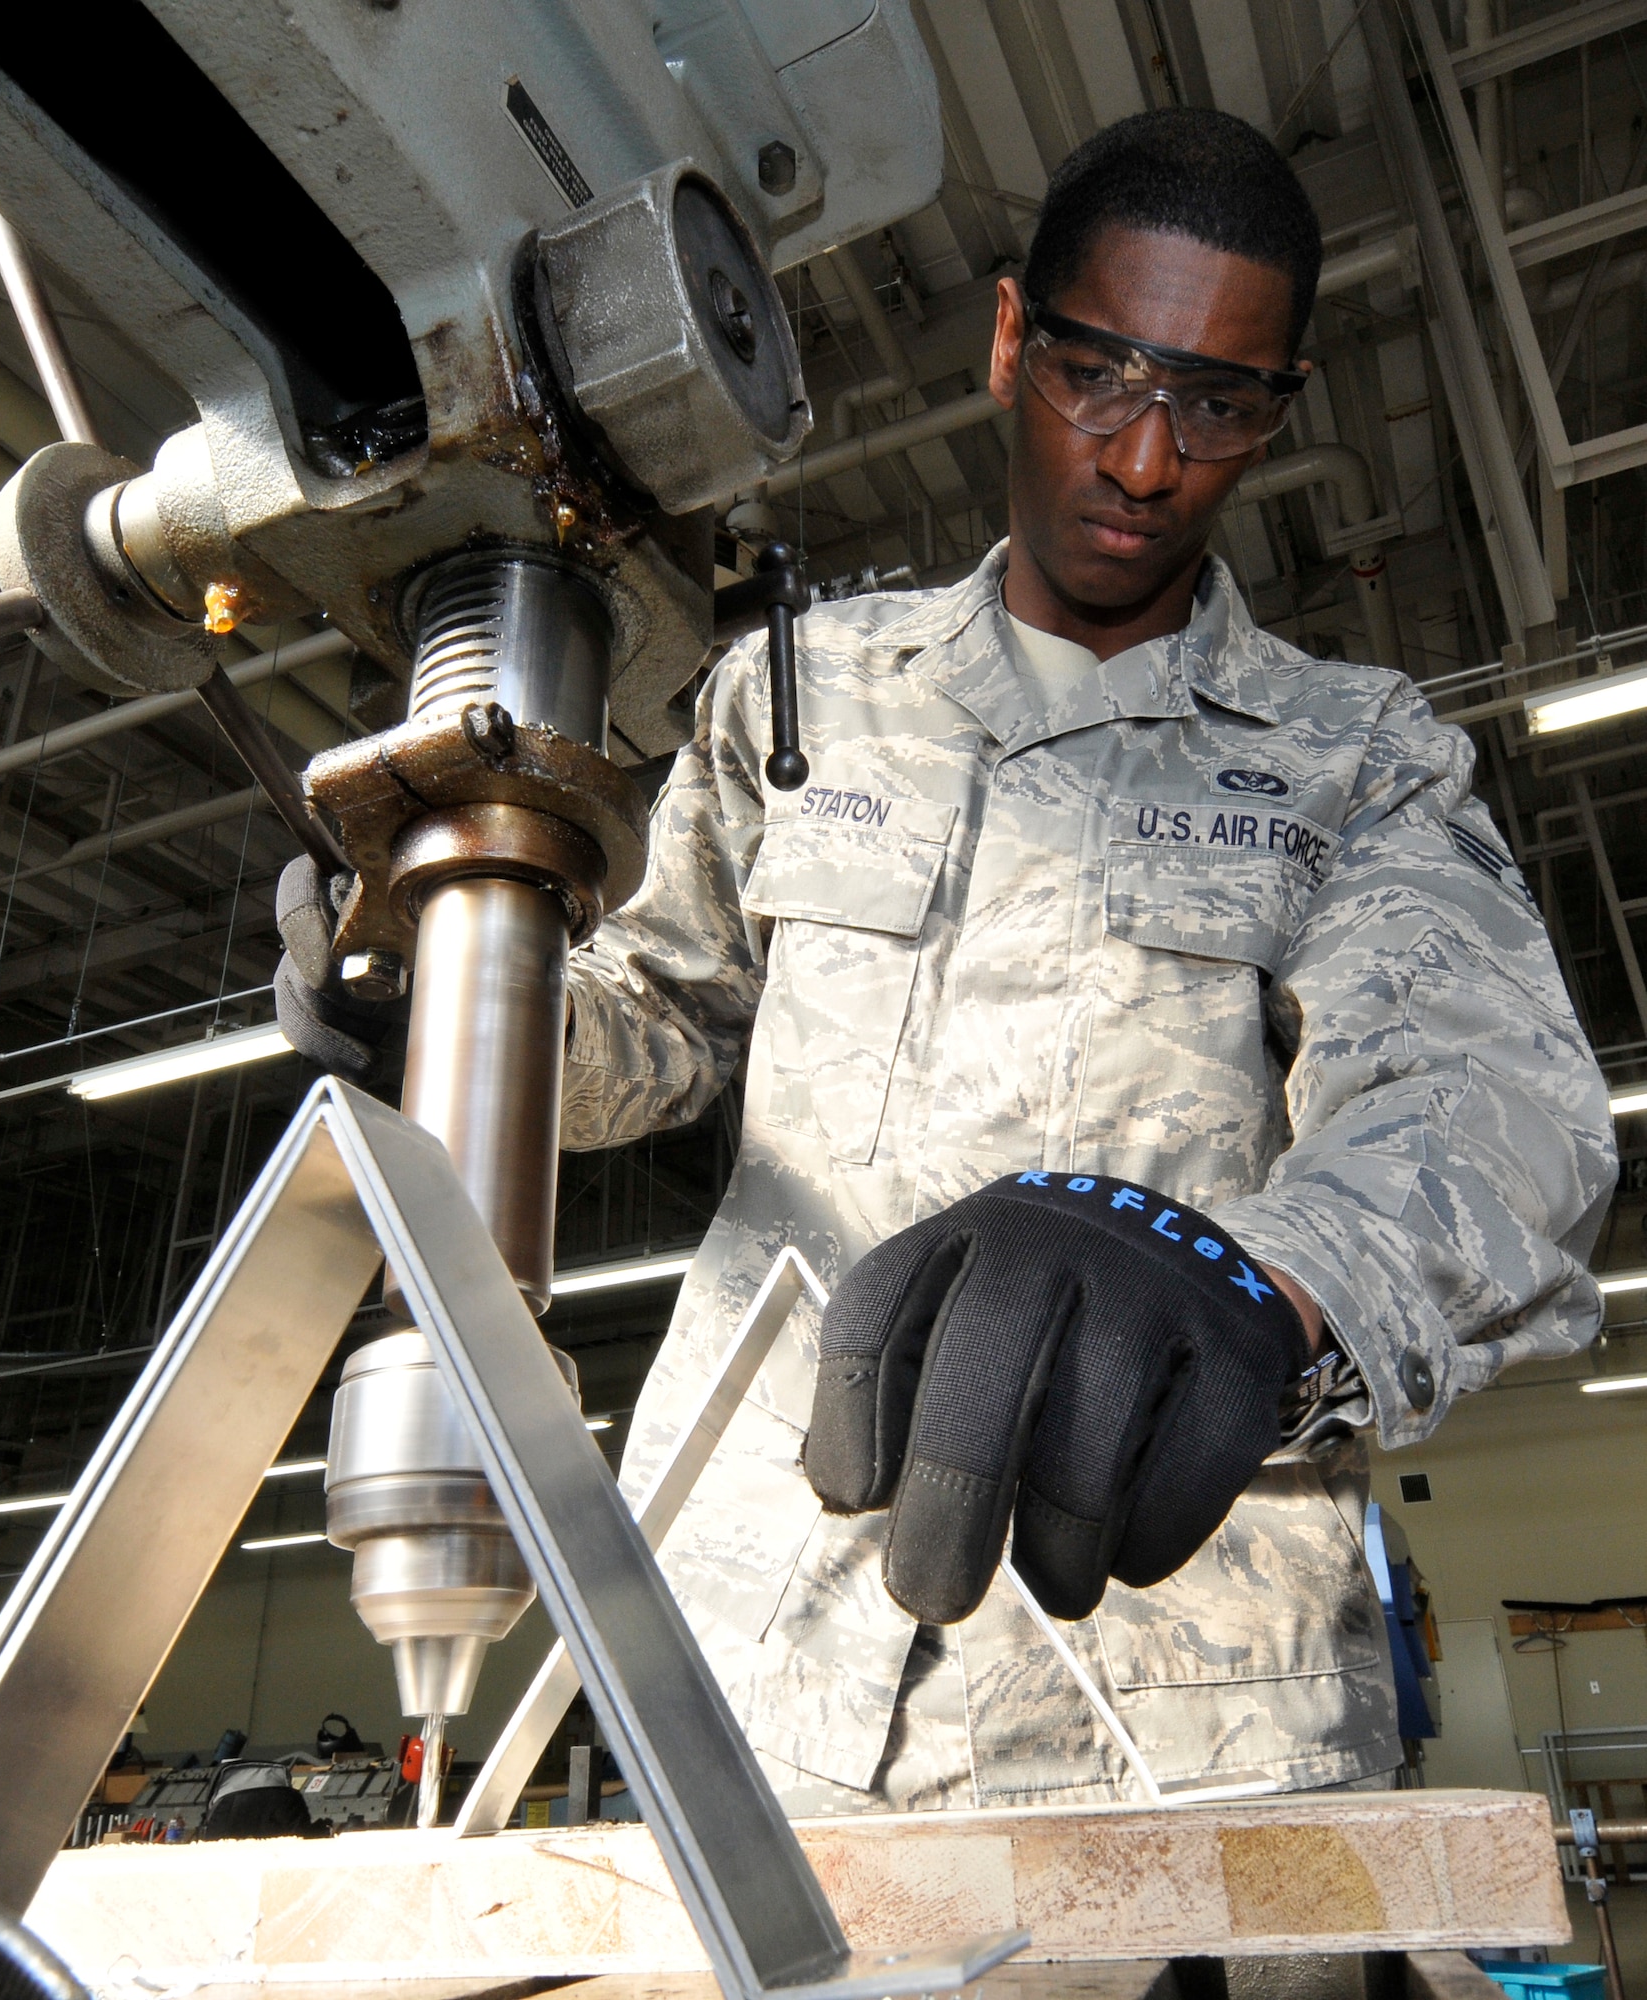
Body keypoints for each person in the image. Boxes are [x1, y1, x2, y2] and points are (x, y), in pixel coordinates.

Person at [278, 108, 1615, 1807]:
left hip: (1166, 1703)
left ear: (1276, 411)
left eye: (1213, 402)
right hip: (755, 1664)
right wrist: (461, 1010)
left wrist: (1245, 1286)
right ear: (1005, 340)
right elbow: (667, 1021)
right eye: (1096, 375)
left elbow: (1502, 1115)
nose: (1142, 459)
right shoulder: (802, 695)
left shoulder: (1353, 756)